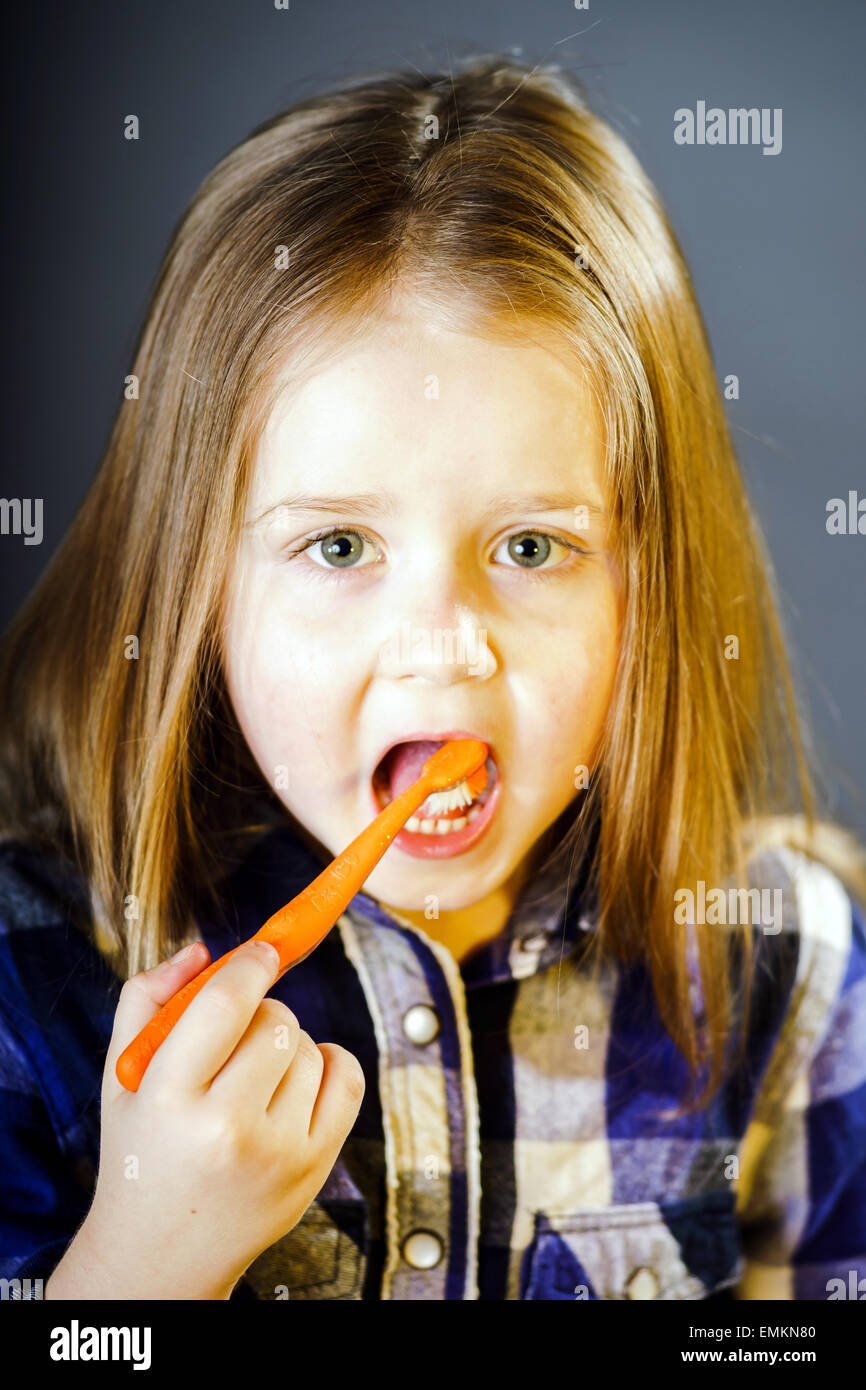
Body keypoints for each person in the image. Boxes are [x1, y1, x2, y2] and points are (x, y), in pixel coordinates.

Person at [1, 55, 864, 1302]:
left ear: (648, 584)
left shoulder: (788, 977)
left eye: (530, 547)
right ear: (194, 584)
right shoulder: (36, 979)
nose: (443, 645)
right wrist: (145, 1257)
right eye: (339, 546)